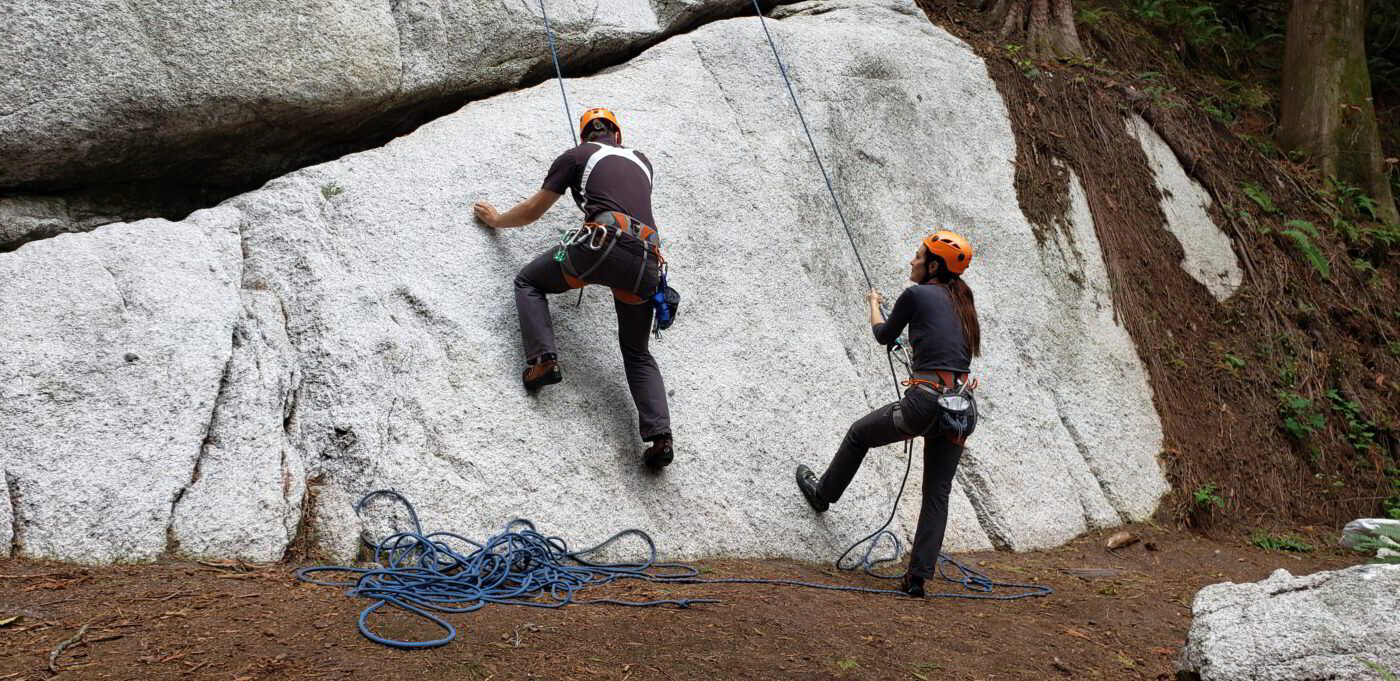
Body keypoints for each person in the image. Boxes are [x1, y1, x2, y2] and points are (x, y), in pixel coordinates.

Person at [472, 107, 674, 469]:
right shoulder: (642, 161)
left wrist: (497, 219)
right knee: (637, 351)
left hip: (601, 248)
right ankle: (661, 438)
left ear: (584, 136)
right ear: (618, 135)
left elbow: (534, 209)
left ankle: (543, 361)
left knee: (529, 281)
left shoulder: (577, 155)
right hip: (647, 262)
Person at [794, 230, 981, 597]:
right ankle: (917, 580)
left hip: (924, 404)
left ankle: (823, 494)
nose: (912, 261)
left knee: (859, 434)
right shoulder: (964, 302)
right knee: (937, 493)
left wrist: (874, 303)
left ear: (933, 265)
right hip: (961, 408)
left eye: (917, 256)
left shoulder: (916, 294)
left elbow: (883, 334)